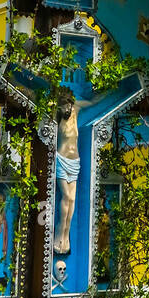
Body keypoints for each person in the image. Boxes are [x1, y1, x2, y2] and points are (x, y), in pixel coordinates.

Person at [54, 90, 81, 256]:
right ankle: (59, 232)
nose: (67, 108)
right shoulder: (56, 117)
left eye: (69, 105)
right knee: (66, 197)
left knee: (73, 200)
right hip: (61, 160)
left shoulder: (76, 113)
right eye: (64, 105)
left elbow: (91, 102)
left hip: (75, 162)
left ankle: (66, 235)